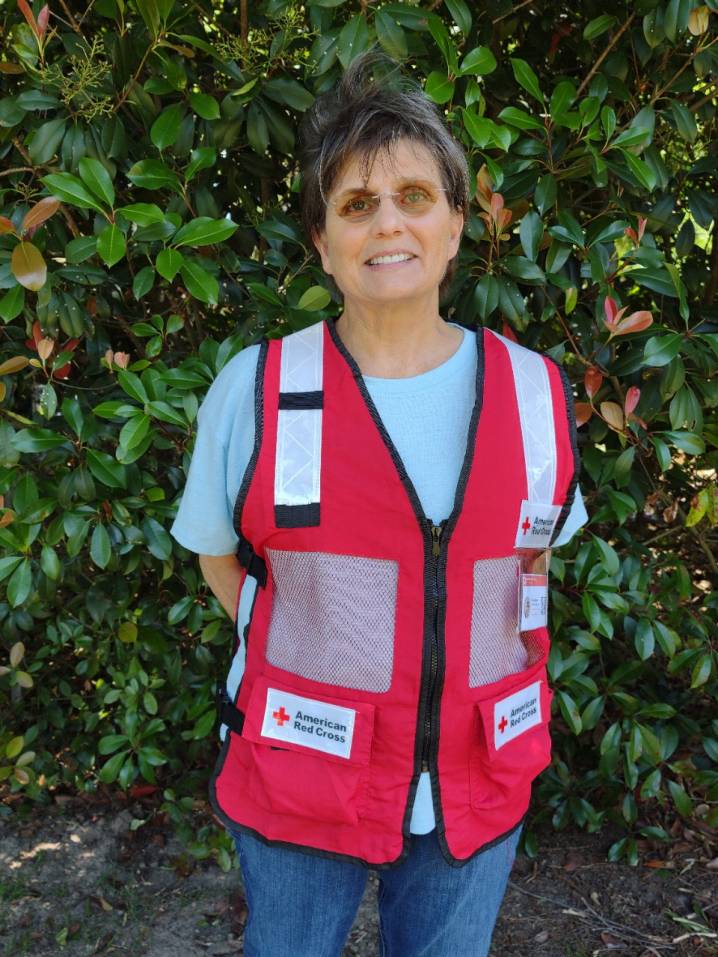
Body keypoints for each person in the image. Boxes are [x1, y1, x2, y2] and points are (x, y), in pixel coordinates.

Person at [171, 52, 587, 957]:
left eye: (414, 196)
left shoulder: (533, 394)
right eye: (357, 204)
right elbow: (217, 559)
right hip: (300, 780)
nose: (388, 222)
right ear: (322, 241)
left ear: (454, 227)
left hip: (476, 781)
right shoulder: (259, 390)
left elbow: (534, 559)